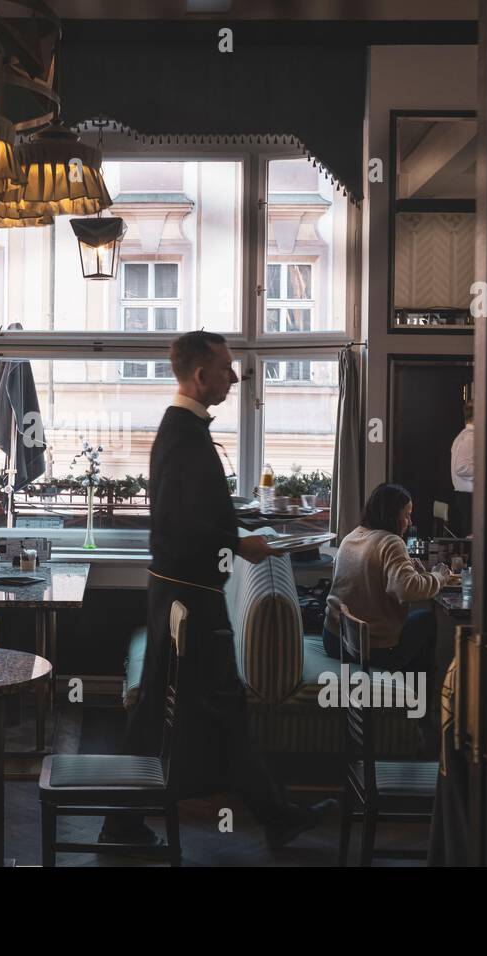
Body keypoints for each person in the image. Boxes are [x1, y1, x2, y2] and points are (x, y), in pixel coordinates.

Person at [103, 330, 336, 851]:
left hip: (174, 594)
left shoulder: (180, 428)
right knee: (224, 710)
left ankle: (124, 822)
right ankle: (275, 817)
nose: (235, 377)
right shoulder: (187, 434)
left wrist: (239, 527)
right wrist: (242, 544)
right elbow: (188, 527)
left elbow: (191, 515)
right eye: (228, 368)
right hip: (192, 597)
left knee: (171, 717)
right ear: (201, 375)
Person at [323, 483, 455, 743]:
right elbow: (405, 590)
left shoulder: (354, 536)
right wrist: (439, 577)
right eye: (406, 514)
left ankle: (413, 710)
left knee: (418, 625)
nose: (409, 520)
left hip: (334, 638)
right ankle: (421, 714)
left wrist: (415, 573)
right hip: (371, 649)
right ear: (391, 514)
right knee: (426, 621)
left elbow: (378, 581)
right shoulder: (391, 542)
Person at [449, 401, 475, 537]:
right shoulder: (471, 438)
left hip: (464, 497)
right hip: (469, 498)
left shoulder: (462, 437)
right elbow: (461, 467)